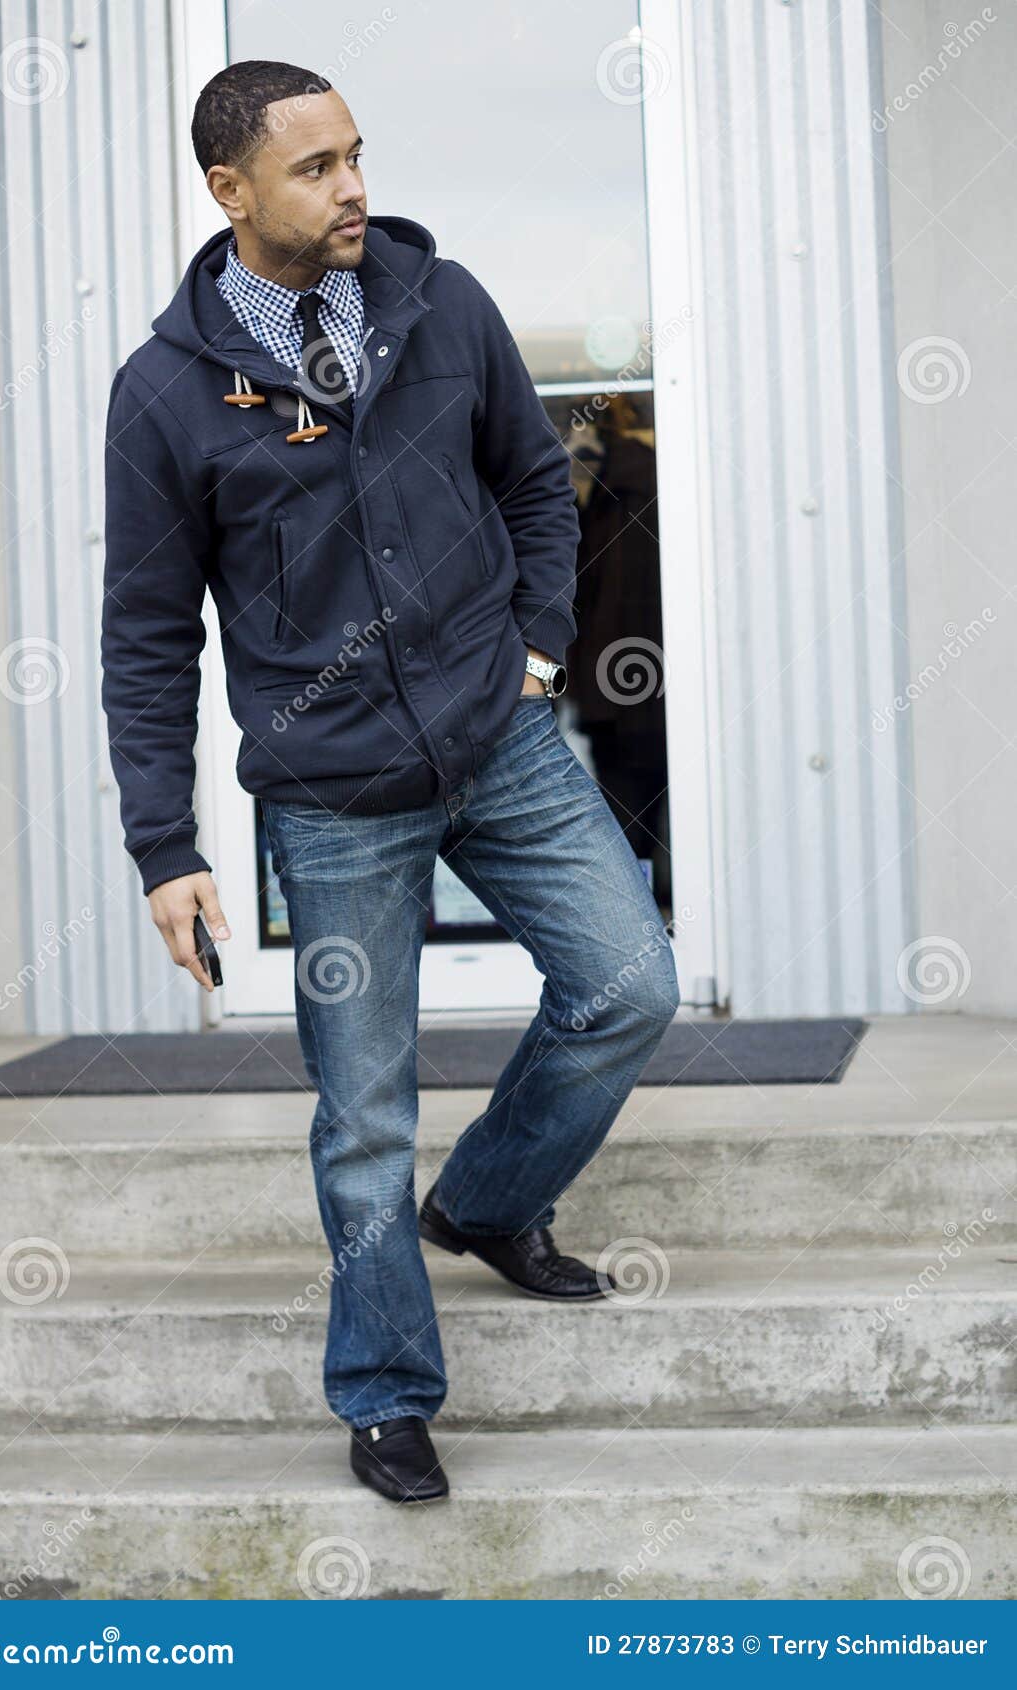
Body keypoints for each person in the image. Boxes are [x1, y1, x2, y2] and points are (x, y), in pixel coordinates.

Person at [100, 60, 679, 1504]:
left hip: (505, 738)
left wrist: (541, 645)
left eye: (358, 154)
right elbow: (150, 632)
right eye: (315, 168)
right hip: (334, 793)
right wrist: (164, 843)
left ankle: (483, 1200)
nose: (355, 185)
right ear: (231, 193)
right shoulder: (168, 396)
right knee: (363, 1111)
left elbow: (538, 486)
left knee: (631, 983)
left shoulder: (442, 303)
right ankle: (384, 1393)